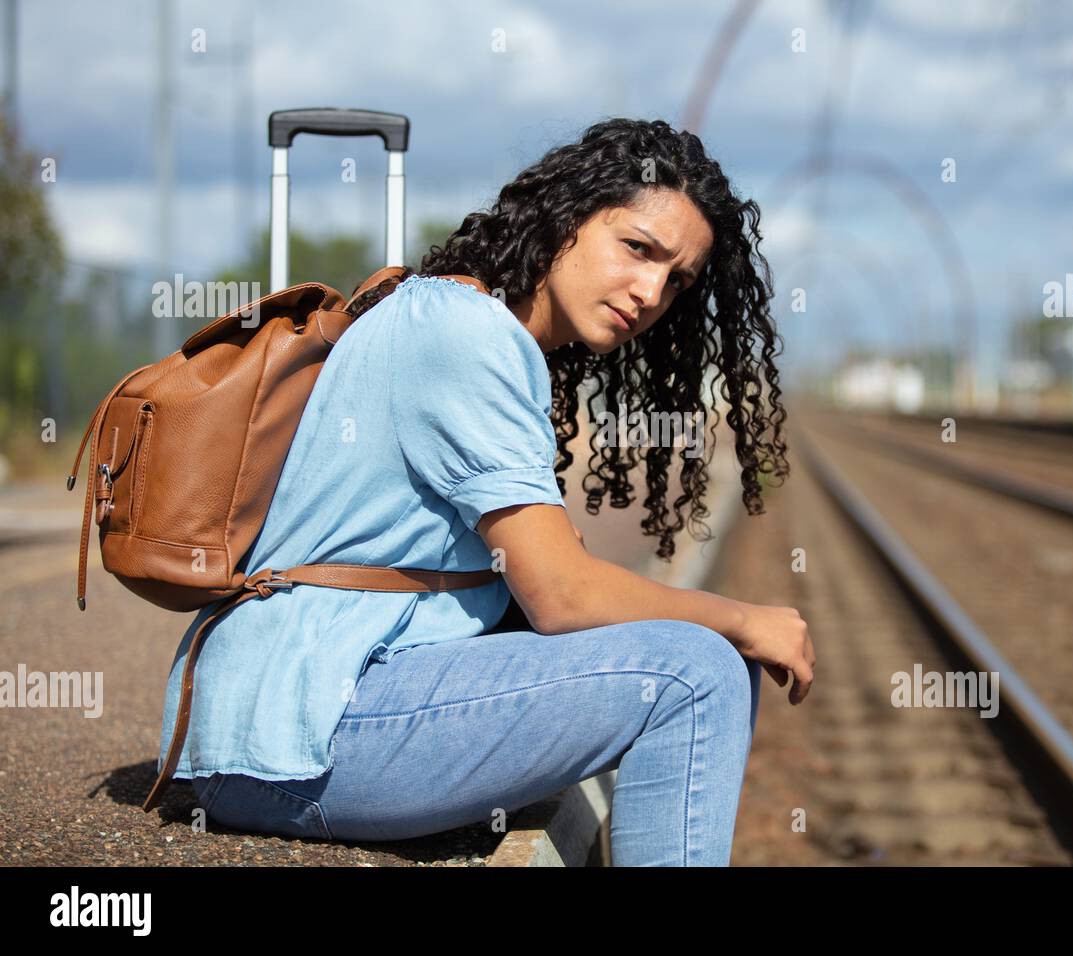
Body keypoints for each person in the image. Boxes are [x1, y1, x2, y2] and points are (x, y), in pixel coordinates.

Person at [168, 117, 815, 866]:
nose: (650, 292)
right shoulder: (467, 335)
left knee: (701, 654)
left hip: (297, 713)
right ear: (565, 219)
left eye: (677, 281)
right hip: (296, 732)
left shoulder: (460, 318)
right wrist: (745, 619)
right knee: (695, 673)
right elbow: (562, 596)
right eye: (637, 248)